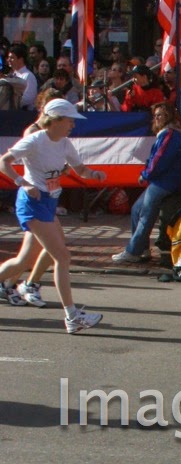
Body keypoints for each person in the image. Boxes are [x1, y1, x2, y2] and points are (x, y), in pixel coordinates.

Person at [0, 98, 106, 332]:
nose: (72, 125)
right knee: (62, 258)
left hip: (48, 203)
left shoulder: (64, 143)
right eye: (69, 121)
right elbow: (4, 162)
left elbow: (80, 169)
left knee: (23, 260)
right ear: (55, 121)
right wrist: (23, 183)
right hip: (32, 204)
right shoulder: (35, 140)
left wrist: (93, 173)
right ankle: (72, 316)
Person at [111, 101, 181, 265]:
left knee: (146, 214)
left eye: (160, 115)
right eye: (156, 115)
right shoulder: (170, 134)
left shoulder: (169, 135)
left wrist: (146, 174)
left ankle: (133, 251)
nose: (157, 118)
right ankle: (142, 249)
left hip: (165, 182)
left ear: (168, 117)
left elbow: (160, 160)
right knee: (137, 209)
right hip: (163, 180)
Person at [5, 44, 37, 109]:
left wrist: (11, 100)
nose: (9, 60)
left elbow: (29, 99)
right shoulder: (12, 75)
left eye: (12, 58)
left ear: (20, 59)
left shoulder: (29, 76)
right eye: (8, 57)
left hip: (23, 114)